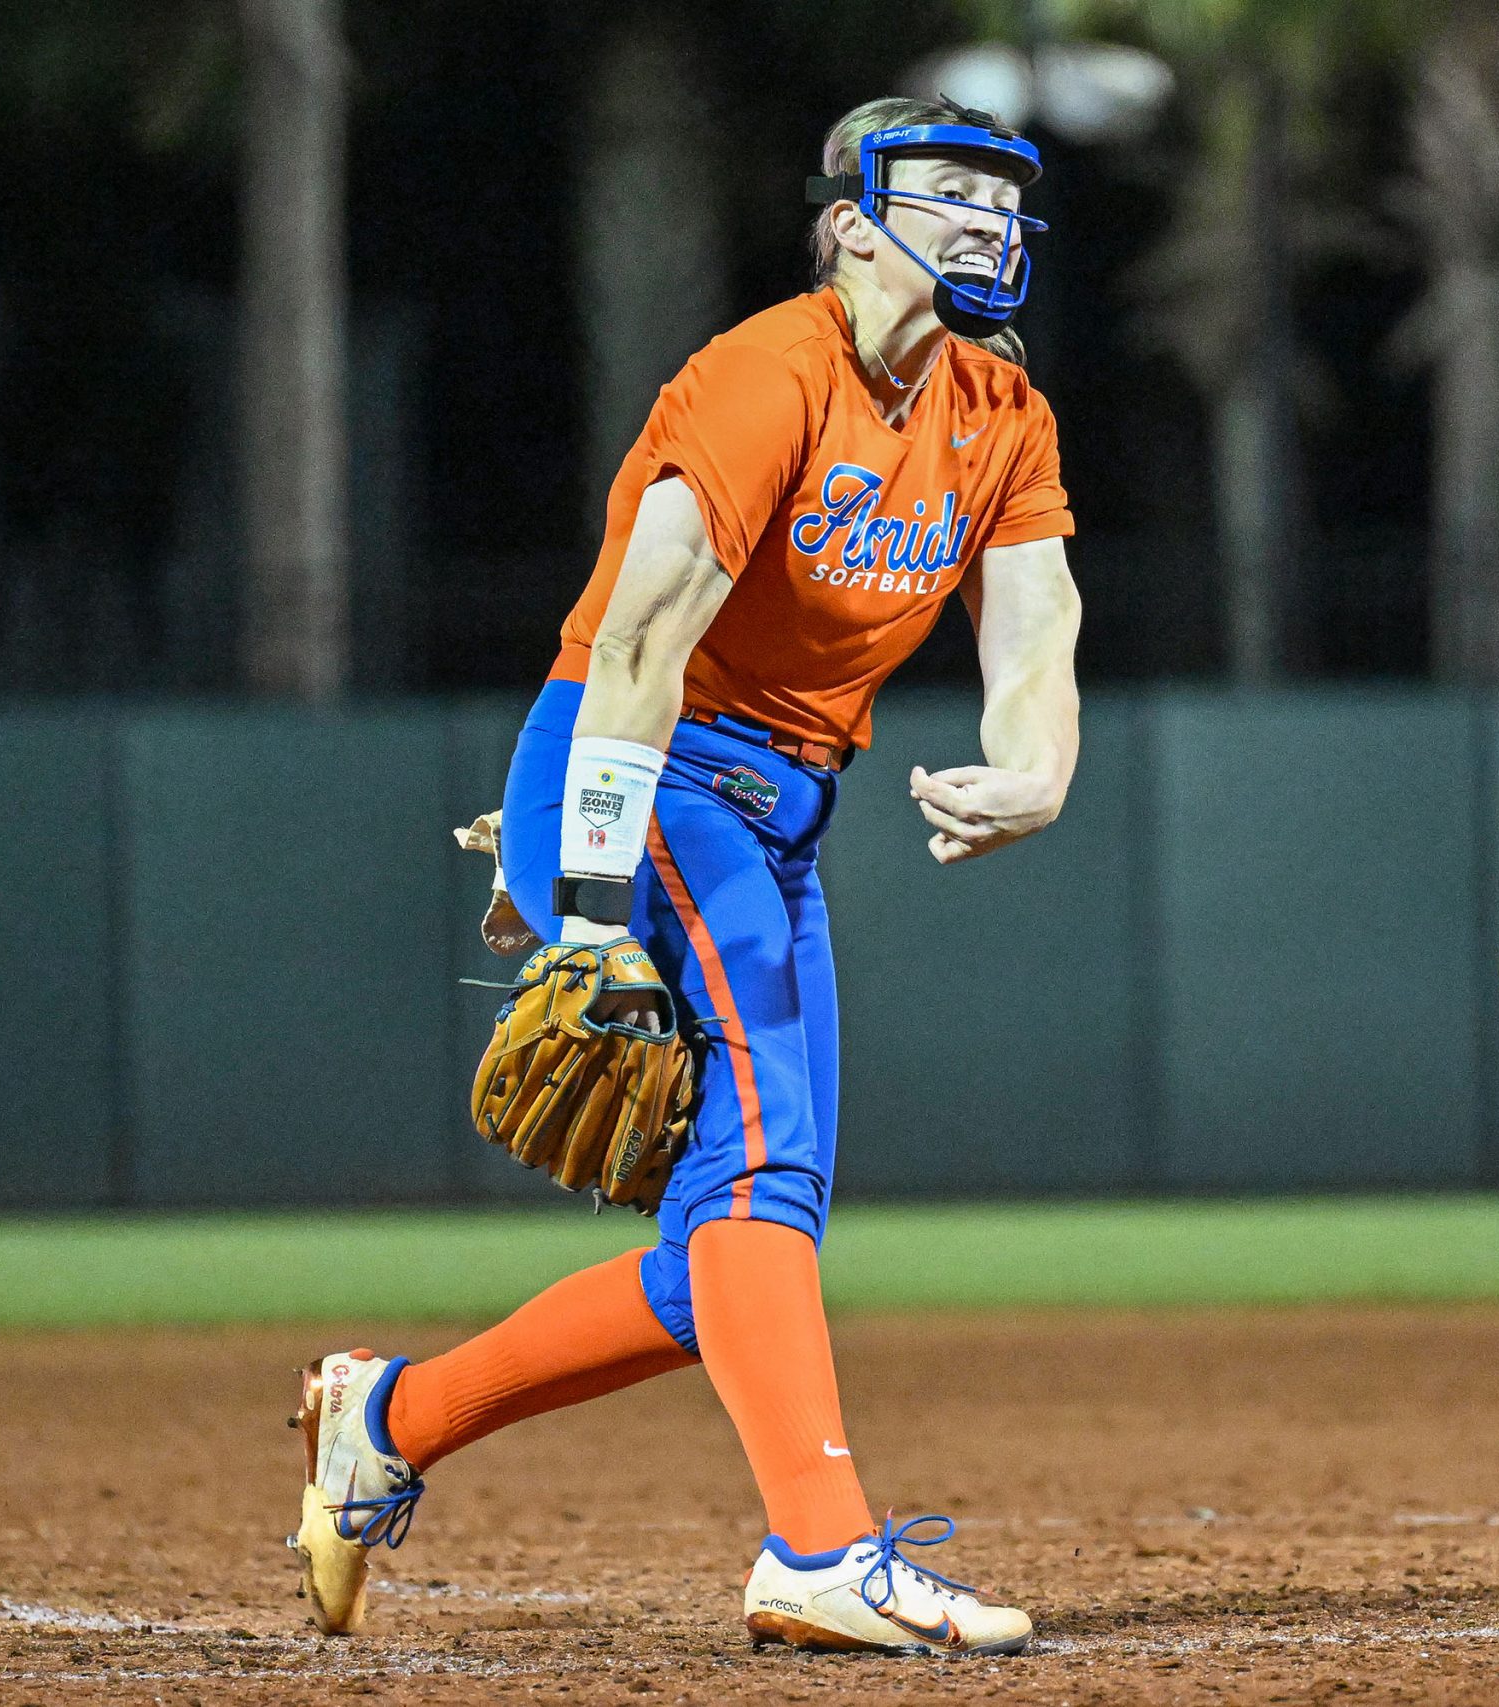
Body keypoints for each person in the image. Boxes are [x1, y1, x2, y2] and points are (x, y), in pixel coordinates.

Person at [288, 95, 1081, 1658]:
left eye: (1004, 199)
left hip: (776, 806)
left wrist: (1037, 768)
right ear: (850, 223)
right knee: (767, 1177)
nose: (988, 223)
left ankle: (389, 1416)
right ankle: (821, 1550)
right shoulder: (761, 376)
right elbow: (640, 646)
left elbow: (1037, 620)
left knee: (721, 1245)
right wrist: (588, 905)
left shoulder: (1001, 409)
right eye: (945, 193)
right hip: (646, 772)